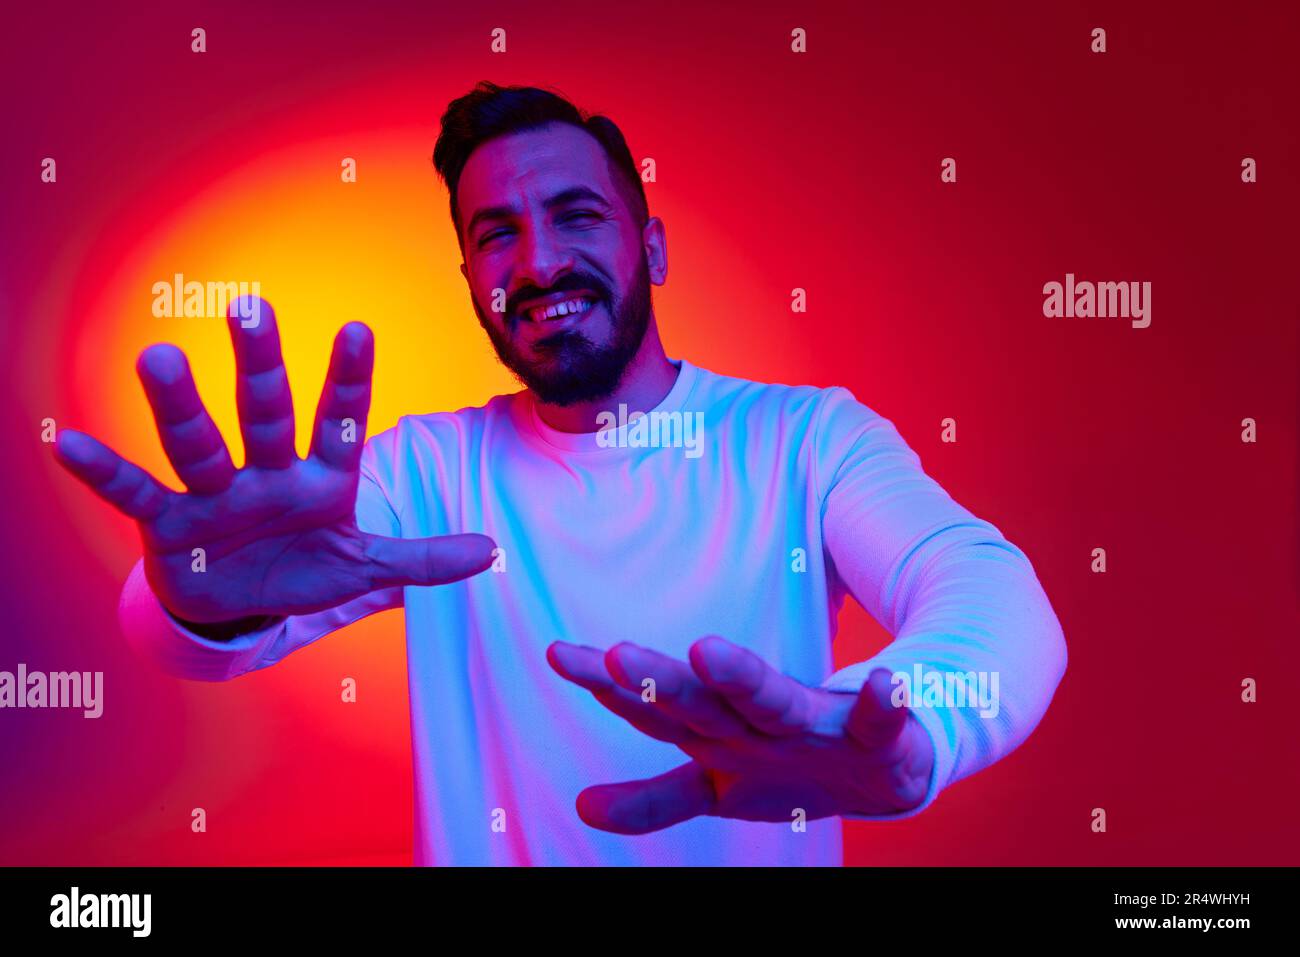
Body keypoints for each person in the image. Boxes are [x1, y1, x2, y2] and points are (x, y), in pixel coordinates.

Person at [53, 82, 1067, 866]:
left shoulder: (804, 440)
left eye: (577, 215)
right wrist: (206, 604)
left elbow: (991, 595)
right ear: (470, 283)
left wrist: (897, 727)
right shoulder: (427, 470)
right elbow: (175, 640)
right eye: (496, 234)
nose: (536, 263)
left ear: (652, 248)